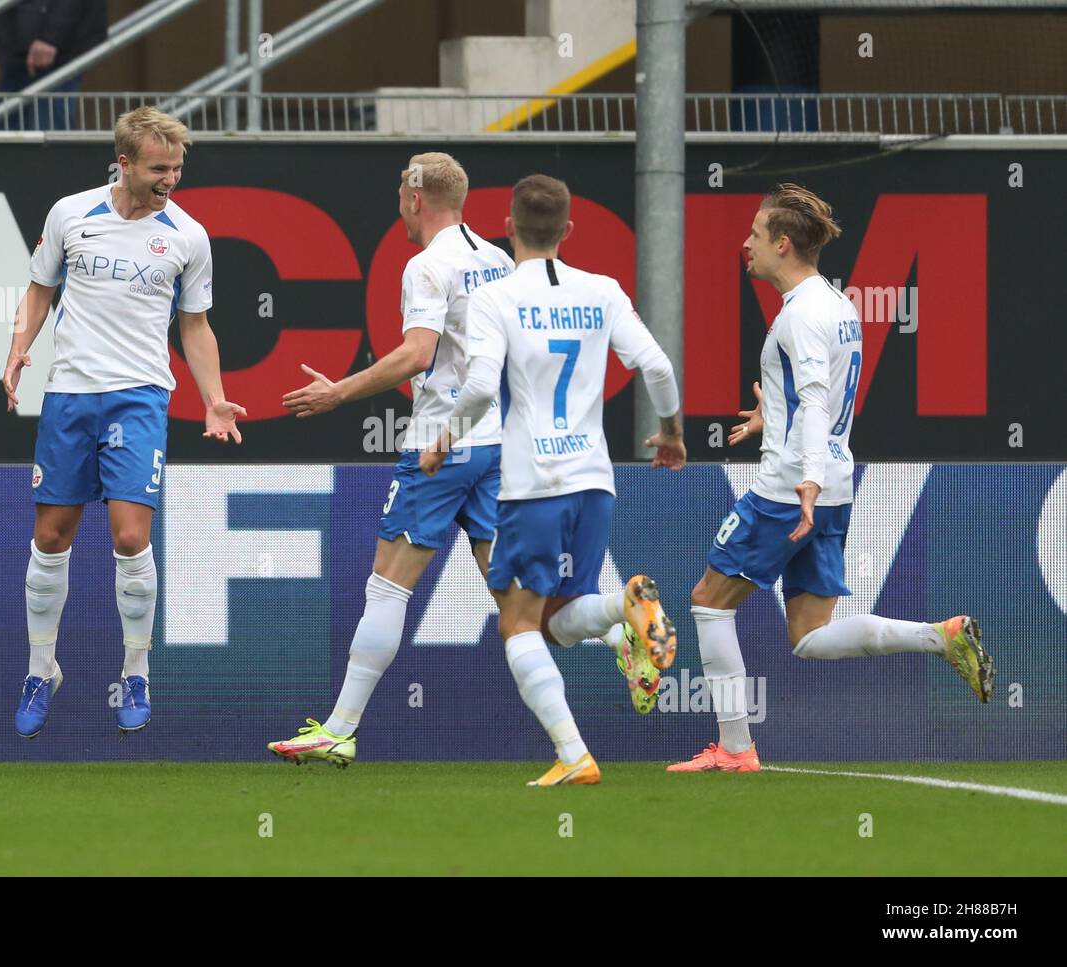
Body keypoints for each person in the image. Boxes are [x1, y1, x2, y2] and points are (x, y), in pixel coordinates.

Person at [668, 183, 994, 774]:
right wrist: (776, 417)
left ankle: (736, 749)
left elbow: (817, 399)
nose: (747, 243)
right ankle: (940, 636)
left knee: (709, 605)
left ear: (783, 244)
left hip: (790, 489)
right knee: (809, 634)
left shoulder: (803, 317)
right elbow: (819, 393)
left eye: (757, 234)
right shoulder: (837, 305)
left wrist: (806, 480)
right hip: (834, 483)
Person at [421, 174, 687, 787]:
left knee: (516, 624)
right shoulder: (602, 290)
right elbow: (656, 364)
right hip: (595, 482)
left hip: (532, 484)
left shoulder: (497, 296)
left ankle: (574, 756)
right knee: (555, 622)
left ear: (509, 227)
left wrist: (443, 442)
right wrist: (671, 431)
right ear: (568, 231)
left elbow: (483, 387)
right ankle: (624, 609)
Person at [266, 153, 515, 767]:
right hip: (497, 442)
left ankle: (340, 728)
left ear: (414, 200)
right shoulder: (500, 259)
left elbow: (415, 355)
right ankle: (621, 625)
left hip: (441, 445)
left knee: (387, 586)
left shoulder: (426, 266)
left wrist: (337, 393)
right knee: (515, 594)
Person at [2, 106, 245, 738]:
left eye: (178, 167)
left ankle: (136, 670)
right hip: (69, 396)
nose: (171, 178)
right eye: (159, 167)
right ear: (126, 162)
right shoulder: (70, 214)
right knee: (52, 537)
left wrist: (213, 397)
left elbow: (196, 325)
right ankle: (40, 669)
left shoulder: (188, 236)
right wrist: (19, 346)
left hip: (140, 397)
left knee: (130, 537)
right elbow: (39, 289)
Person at [0, 0, 108, 130]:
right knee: (7, 135)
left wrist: (51, 38)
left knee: (46, 136)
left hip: (51, 51)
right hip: (22, 48)